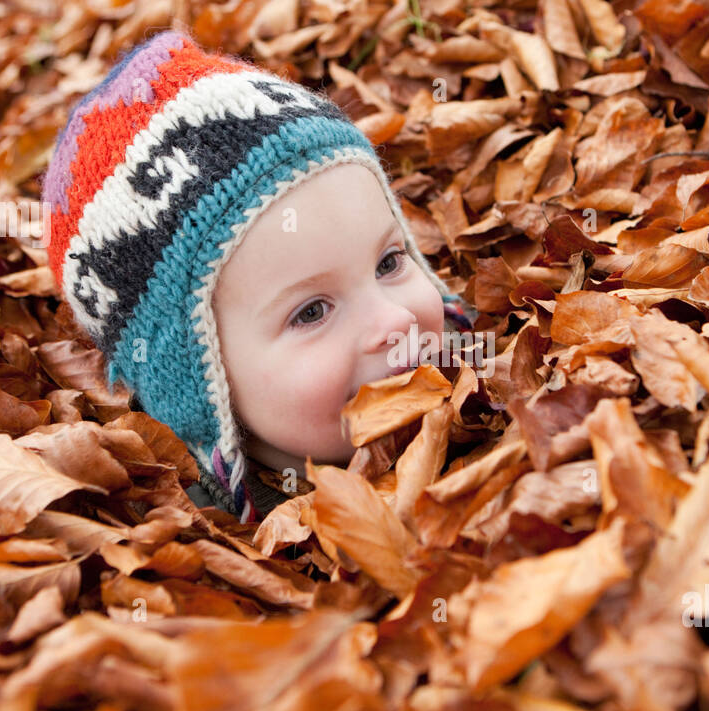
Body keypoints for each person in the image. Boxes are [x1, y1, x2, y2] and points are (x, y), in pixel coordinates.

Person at [40, 29, 474, 522]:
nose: (394, 321)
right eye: (311, 311)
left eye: (390, 262)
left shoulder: (501, 392)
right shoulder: (207, 546)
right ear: (195, 382)